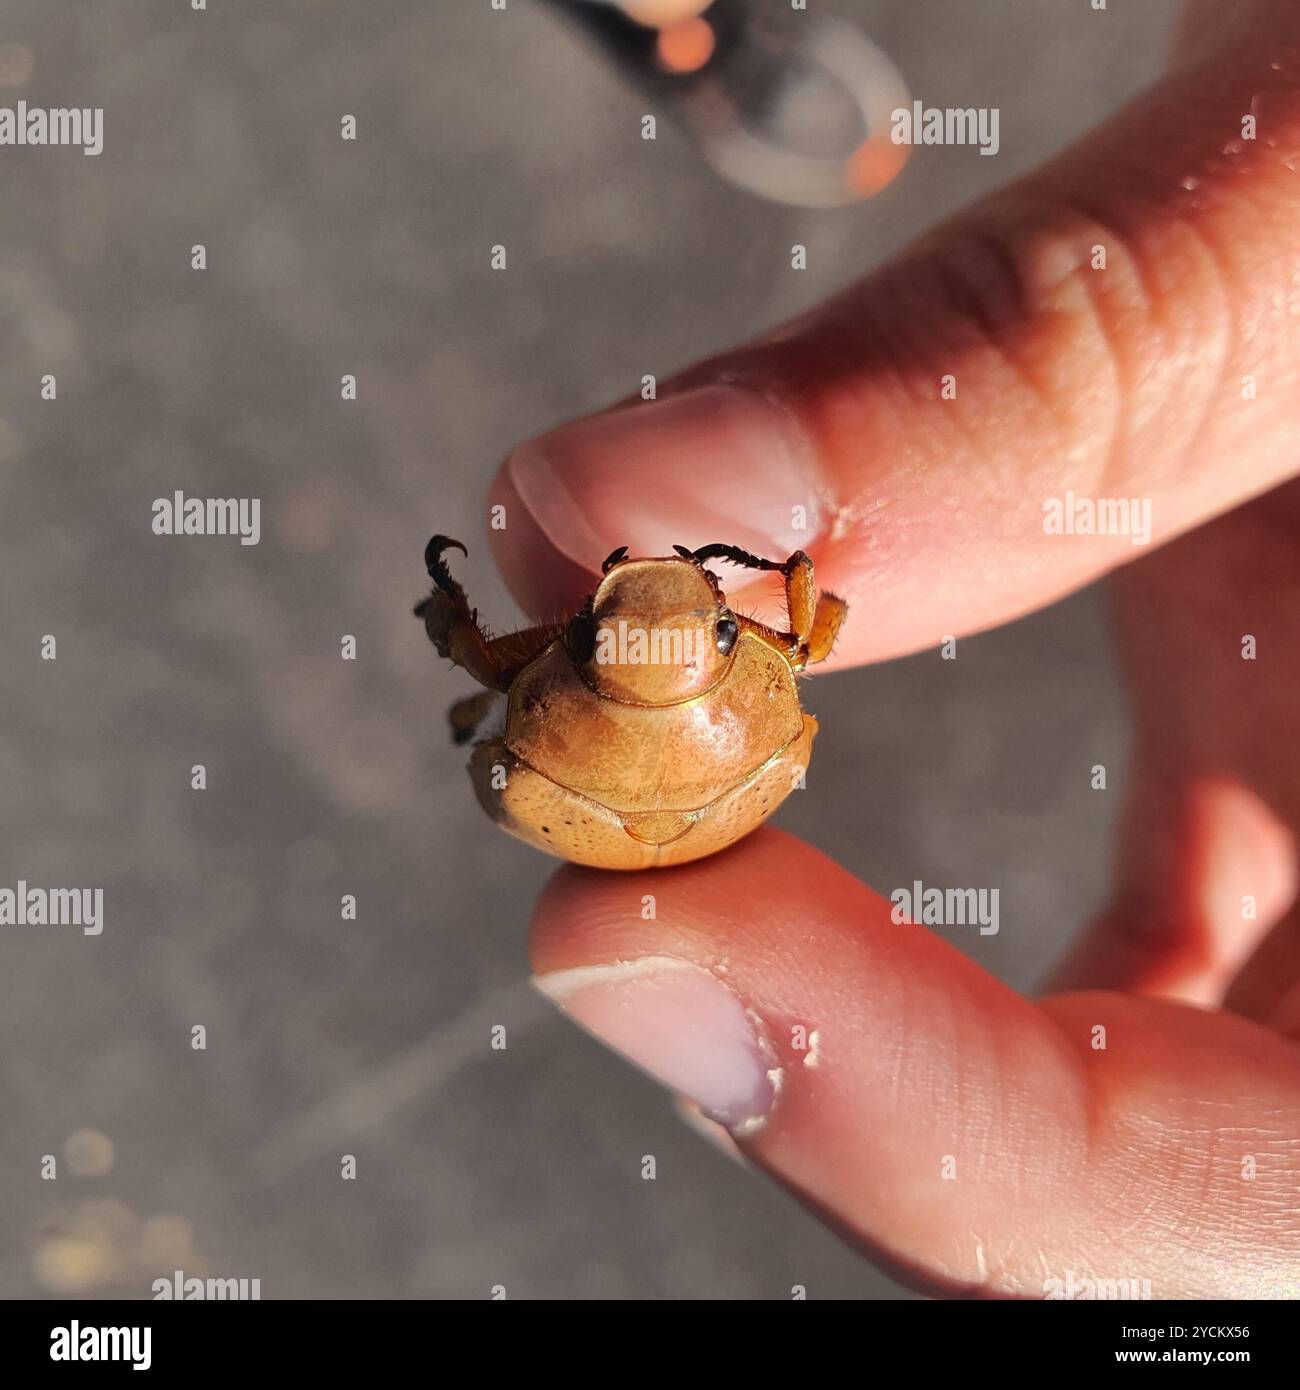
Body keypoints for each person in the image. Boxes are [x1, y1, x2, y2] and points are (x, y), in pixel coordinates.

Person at [490, 0, 1300, 1296]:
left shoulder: (597, 668)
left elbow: (513, 673)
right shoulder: (754, 652)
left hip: (611, 786)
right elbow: (804, 624)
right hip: (648, 786)